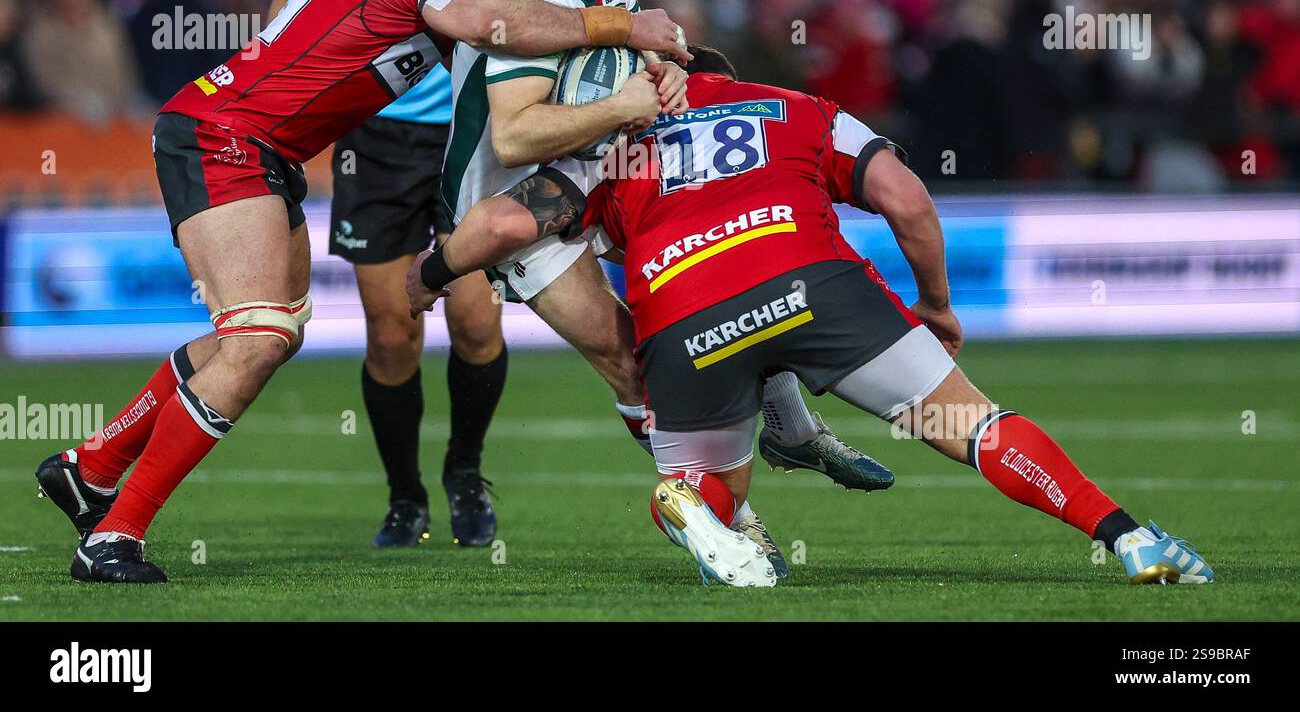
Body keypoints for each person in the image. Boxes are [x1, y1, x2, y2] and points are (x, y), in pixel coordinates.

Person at [35, 0, 689, 584]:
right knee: (257, 336)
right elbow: (486, 23)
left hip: (253, 141)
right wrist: (625, 24)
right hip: (227, 135)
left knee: (269, 332)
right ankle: (114, 535)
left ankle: (96, 463)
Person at [411, 46, 1215, 588]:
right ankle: (1126, 536)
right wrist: (935, 303)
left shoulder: (610, 143)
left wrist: (430, 273)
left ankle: (686, 495)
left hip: (683, 317)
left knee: (713, 493)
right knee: (975, 425)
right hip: (813, 285)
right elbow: (905, 196)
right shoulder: (795, 107)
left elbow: (506, 227)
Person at [421, 0, 895, 575]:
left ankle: (789, 428)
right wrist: (627, 101)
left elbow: (614, 61)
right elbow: (514, 135)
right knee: (629, 359)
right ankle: (731, 518)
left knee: (725, 287)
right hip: (515, 200)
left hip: (601, 165)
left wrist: (659, 73)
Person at [266, 0, 540, 548]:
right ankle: (404, 497)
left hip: (479, 129)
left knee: (478, 323)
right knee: (390, 331)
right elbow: (285, 16)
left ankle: (464, 469)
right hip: (376, 140)